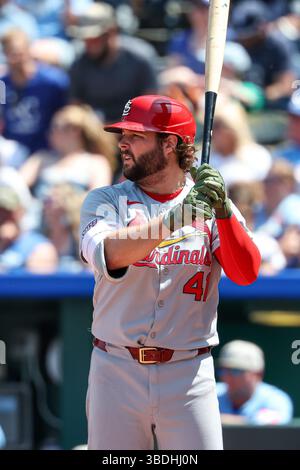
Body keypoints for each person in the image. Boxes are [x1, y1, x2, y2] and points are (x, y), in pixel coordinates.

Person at [80, 94, 261, 450]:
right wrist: (173, 222)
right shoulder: (105, 200)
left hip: (189, 373)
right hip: (115, 366)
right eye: (123, 134)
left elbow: (246, 272)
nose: (123, 143)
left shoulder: (209, 202)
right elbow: (108, 253)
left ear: (170, 144)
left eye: (136, 135)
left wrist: (223, 212)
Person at [68, 2, 158, 123]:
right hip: (95, 135)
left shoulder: (140, 58)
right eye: (85, 39)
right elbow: (75, 109)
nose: (88, 44)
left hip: (135, 130)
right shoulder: (79, 64)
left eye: (94, 38)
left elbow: (151, 106)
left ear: (111, 31)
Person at [217, 340, 293, 425]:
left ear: (258, 374)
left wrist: (212, 420)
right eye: (223, 370)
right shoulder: (213, 393)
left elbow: (264, 427)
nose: (227, 376)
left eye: (236, 371)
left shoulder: (276, 399)